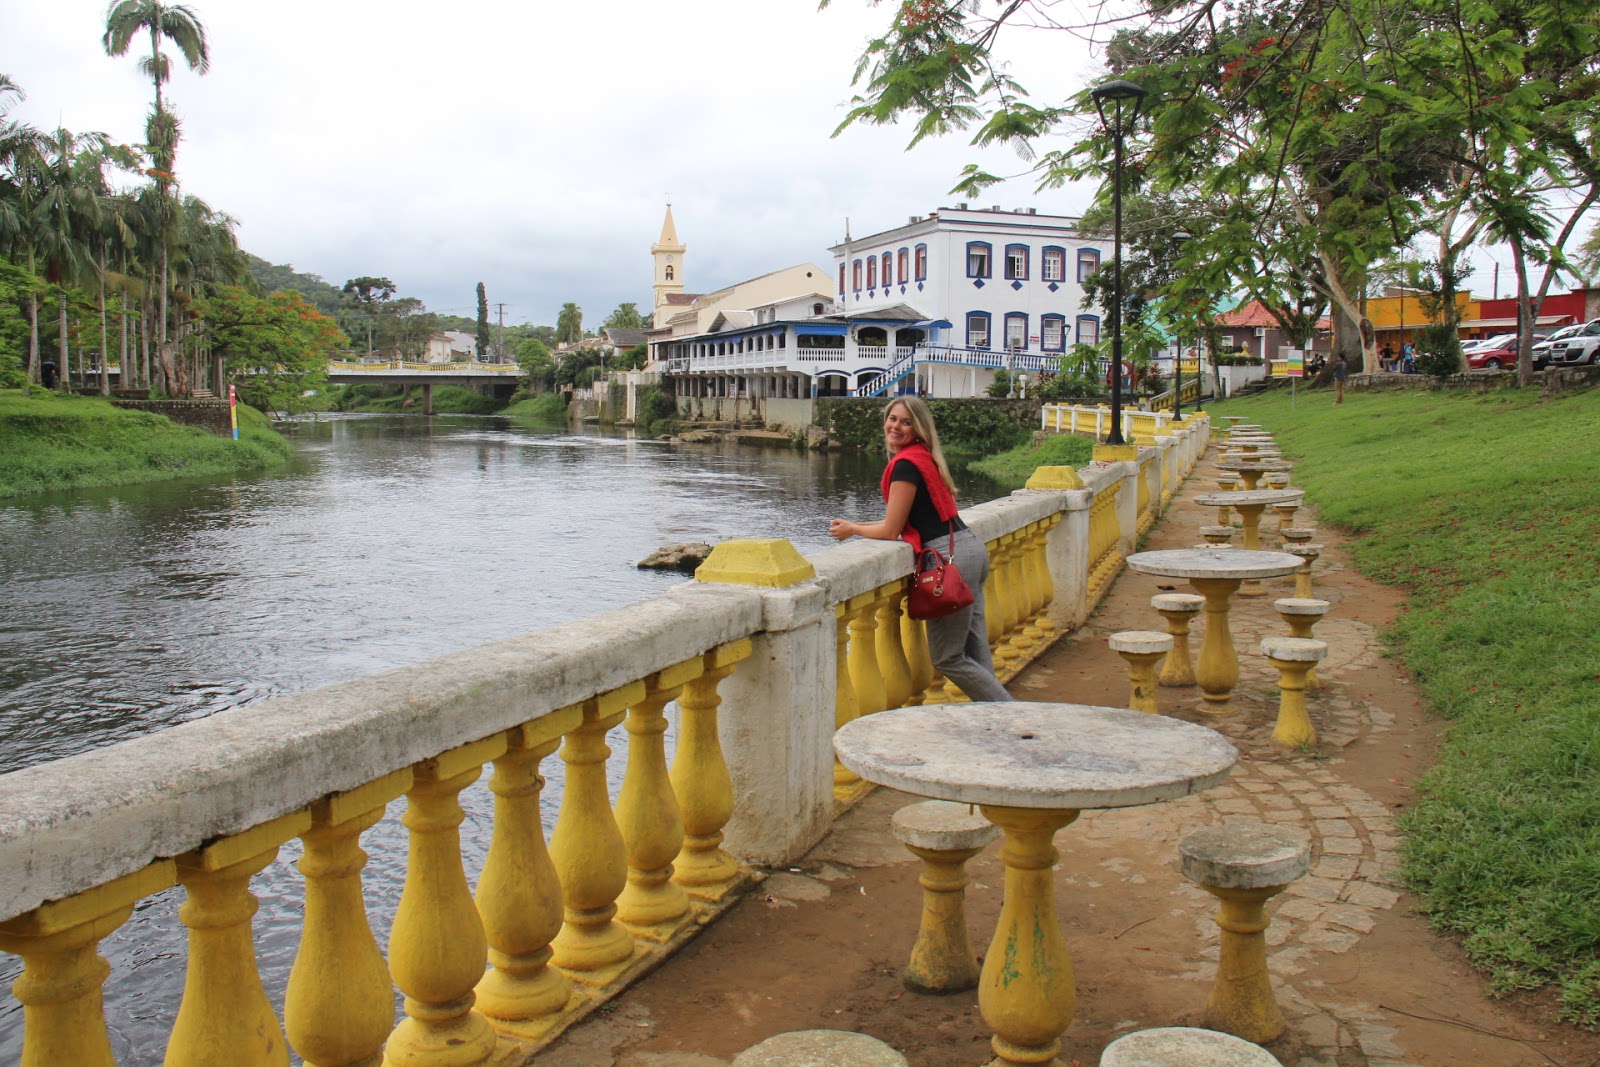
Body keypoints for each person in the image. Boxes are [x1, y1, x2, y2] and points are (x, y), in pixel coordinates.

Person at [829, 397, 1012, 704]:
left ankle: (1012, 714)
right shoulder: (924, 457)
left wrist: (854, 530)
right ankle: (999, 717)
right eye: (892, 419)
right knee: (975, 651)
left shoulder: (905, 466)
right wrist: (854, 525)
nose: (896, 426)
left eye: (906, 422)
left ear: (918, 428)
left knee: (948, 657)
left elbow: (891, 530)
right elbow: (900, 521)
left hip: (950, 559)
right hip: (969, 549)